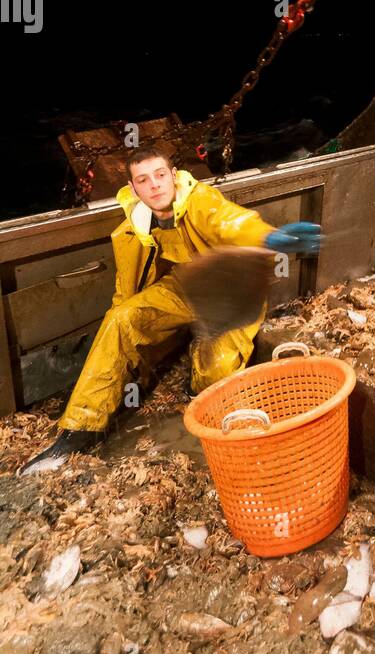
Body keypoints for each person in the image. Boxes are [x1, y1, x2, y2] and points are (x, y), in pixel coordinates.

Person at [19, 148, 321, 474]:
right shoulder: (132, 227)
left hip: (229, 289)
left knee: (212, 373)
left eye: (161, 175)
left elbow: (231, 221)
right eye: (143, 180)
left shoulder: (200, 200)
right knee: (121, 319)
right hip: (183, 287)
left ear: (173, 176)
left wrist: (270, 237)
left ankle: (197, 391)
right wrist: (126, 349)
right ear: (134, 189)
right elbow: (126, 287)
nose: (155, 186)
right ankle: (80, 431)